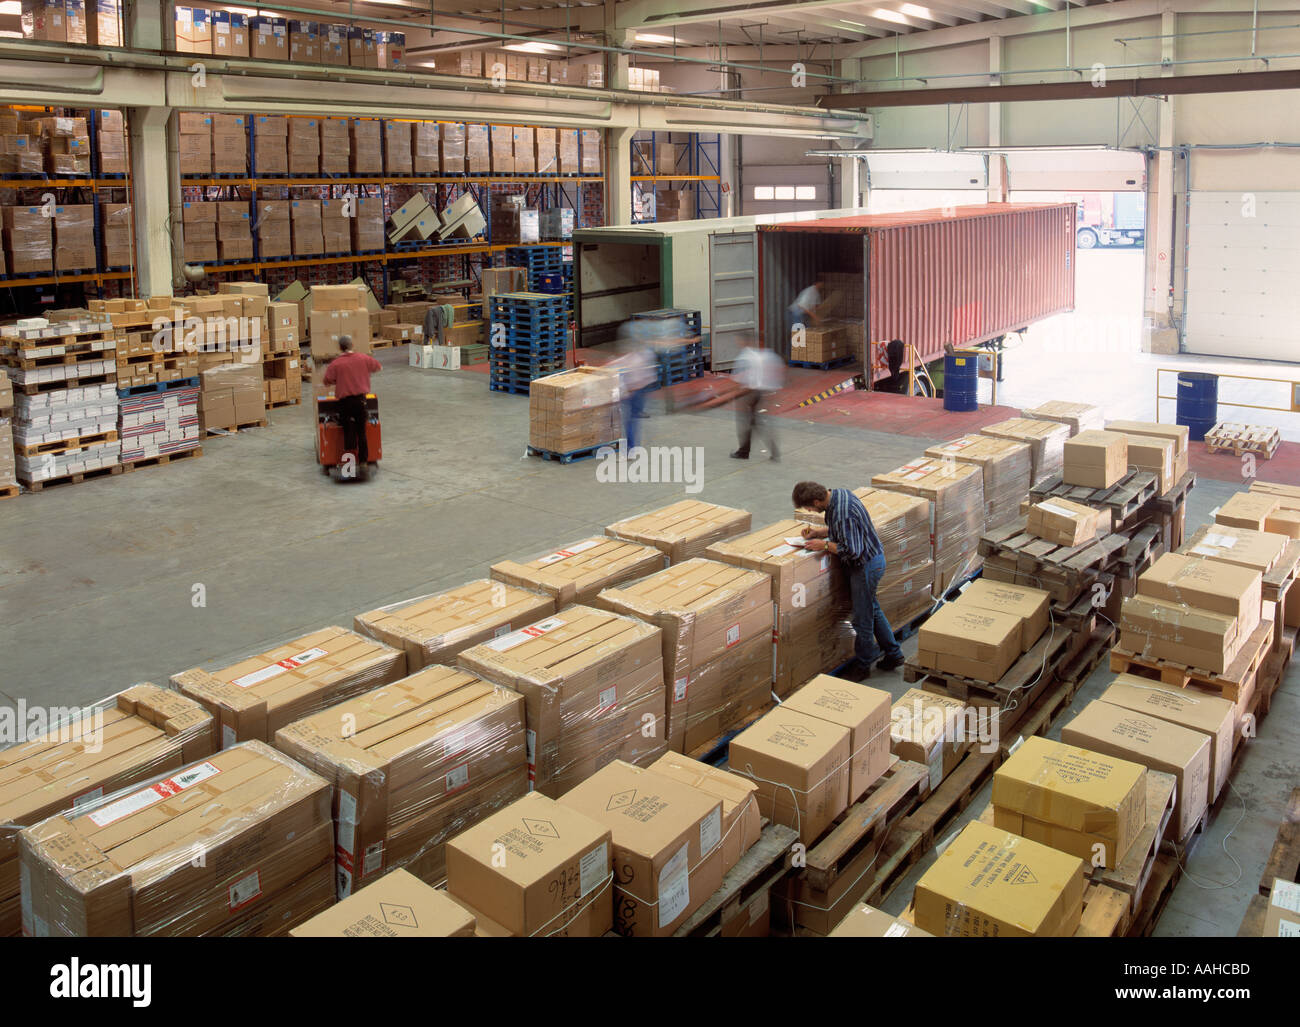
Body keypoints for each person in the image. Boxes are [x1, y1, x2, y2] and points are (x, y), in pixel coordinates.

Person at [792, 480, 905, 680]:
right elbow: (843, 529)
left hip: (865, 566)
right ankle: (894, 654)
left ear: (817, 501)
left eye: (809, 507)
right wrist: (820, 533)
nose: (809, 510)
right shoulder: (839, 495)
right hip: (872, 560)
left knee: (862, 620)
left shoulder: (843, 513)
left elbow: (853, 551)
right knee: (873, 610)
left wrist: (824, 546)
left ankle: (862, 667)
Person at [322, 336, 381, 480]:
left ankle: (347, 462)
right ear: (352, 345)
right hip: (361, 401)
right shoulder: (363, 358)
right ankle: (363, 463)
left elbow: (326, 381)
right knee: (361, 431)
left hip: (345, 403)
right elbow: (378, 367)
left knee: (347, 429)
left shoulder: (336, 364)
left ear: (340, 348)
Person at [609, 322, 659, 451]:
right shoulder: (639, 355)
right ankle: (631, 445)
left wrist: (630, 390)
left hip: (635, 392)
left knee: (630, 421)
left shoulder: (639, 358)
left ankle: (631, 448)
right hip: (636, 390)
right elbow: (621, 362)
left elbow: (640, 377)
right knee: (632, 419)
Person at [731, 344, 784, 461]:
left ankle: (744, 451)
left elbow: (739, 379)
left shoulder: (744, 357)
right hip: (760, 393)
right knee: (756, 423)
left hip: (749, 393)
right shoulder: (768, 356)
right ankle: (773, 450)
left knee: (746, 423)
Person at [786, 279, 824, 357]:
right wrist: (814, 317)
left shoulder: (816, 293)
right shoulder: (810, 292)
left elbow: (816, 306)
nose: (823, 285)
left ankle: (804, 355)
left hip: (803, 315)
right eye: (822, 283)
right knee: (797, 335)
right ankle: (790, 356)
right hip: (796, 313)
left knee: (808, 332)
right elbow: (802, 306)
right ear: (817, 282)